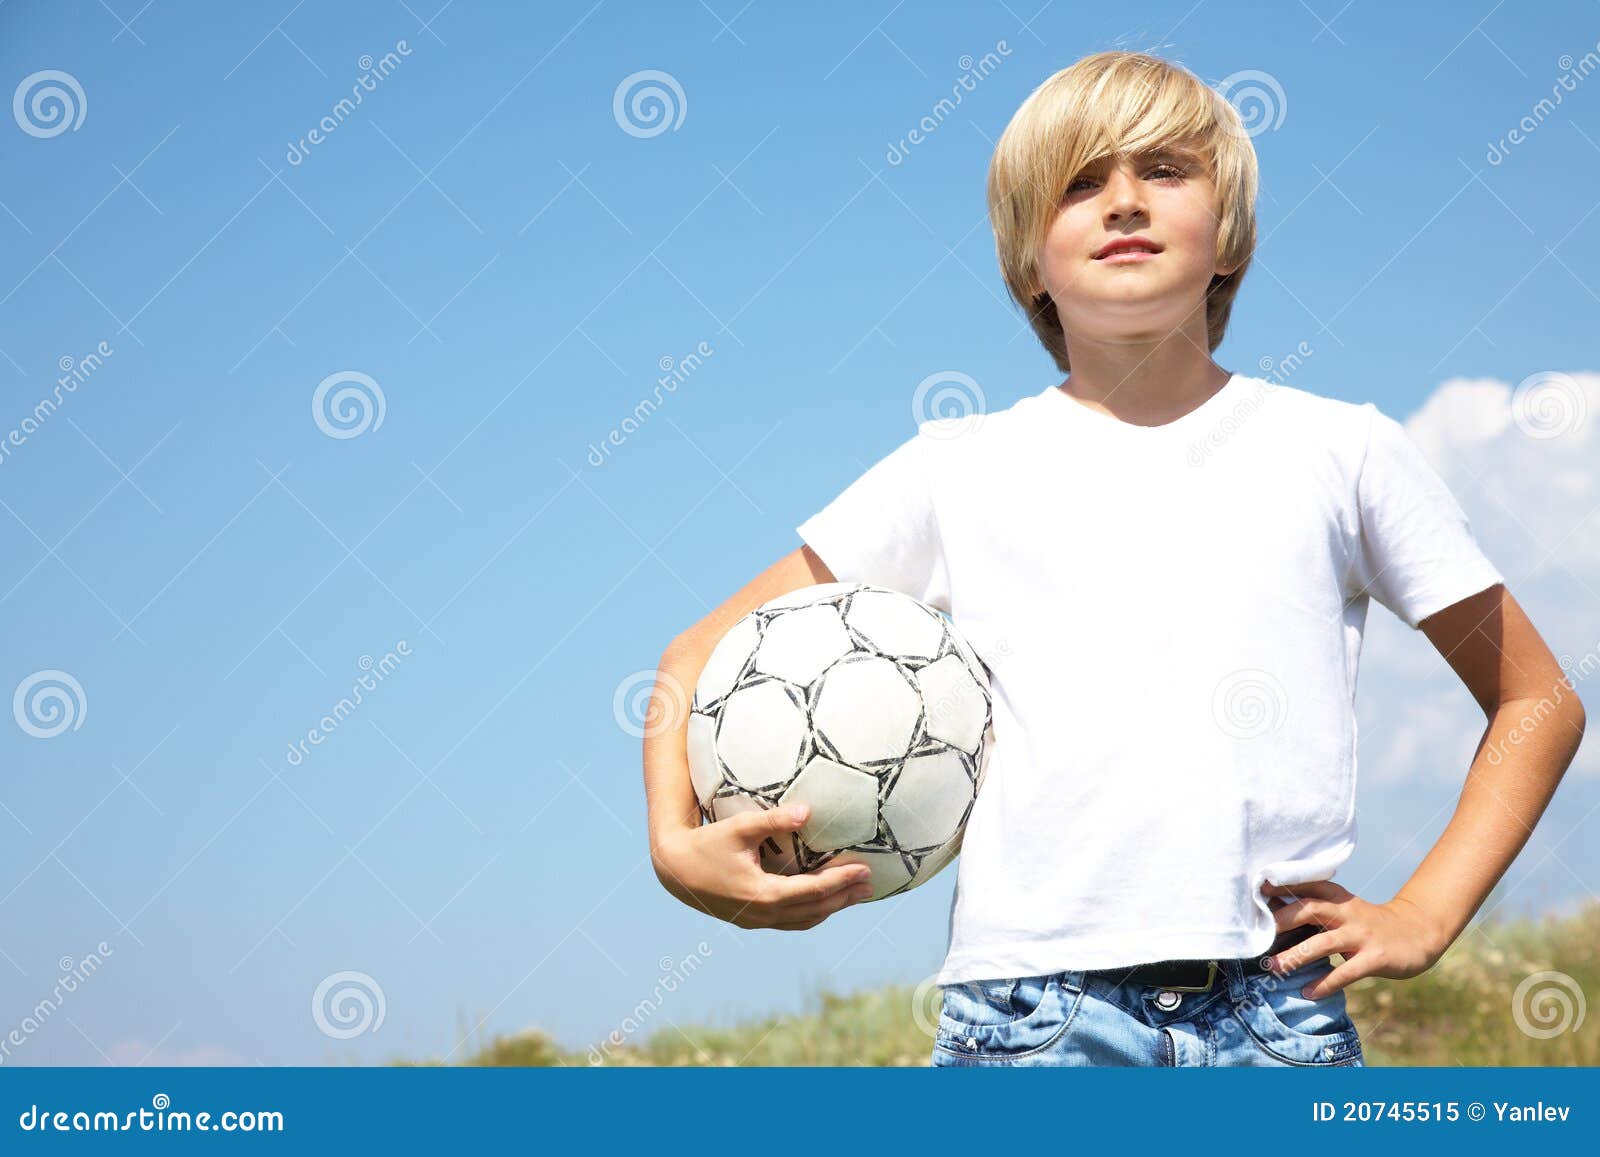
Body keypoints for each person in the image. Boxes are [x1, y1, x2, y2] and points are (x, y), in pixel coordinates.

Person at [642, 50, 1585, 1067]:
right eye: (1079, 183)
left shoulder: (1343, 449)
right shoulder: (954, 466)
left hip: (1278, 1017)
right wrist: (674, 847)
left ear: (1227, 238)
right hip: (1028, 1024)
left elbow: (1536, 698)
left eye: (1165, 171)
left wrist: (1427, 910)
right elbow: (694, 656)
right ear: (1026, 261)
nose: (1124, 200)